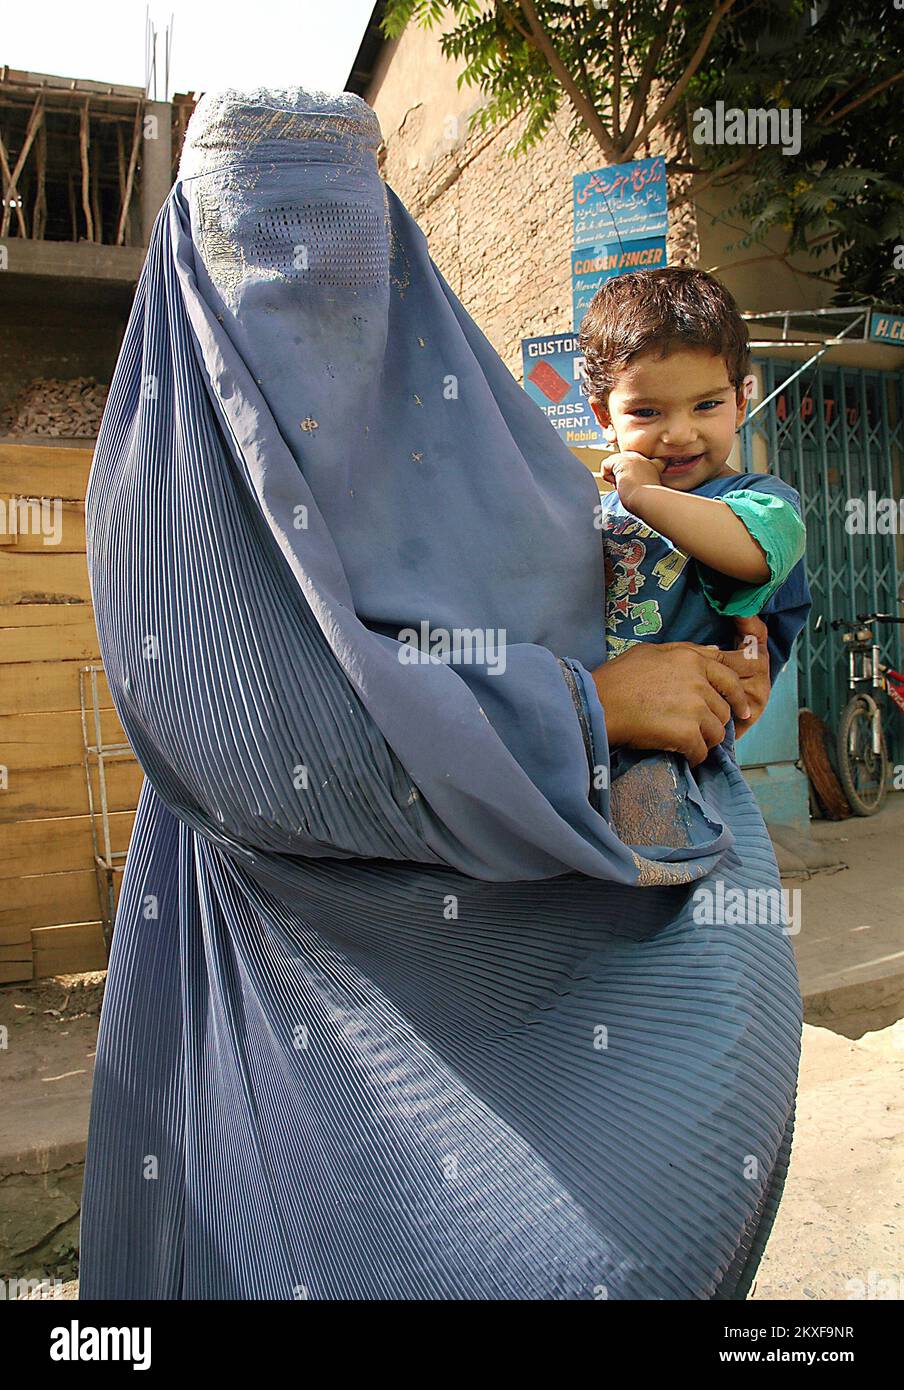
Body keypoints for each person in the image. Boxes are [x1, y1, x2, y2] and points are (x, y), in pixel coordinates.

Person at [79, 86, 804, 1300]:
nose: (314, 294)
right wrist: (588, 709)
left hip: (538, 967)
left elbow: (623, 585)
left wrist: (734, 645)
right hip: (280, 970)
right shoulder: (153, 501)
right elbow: (254, 743)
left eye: (346, 244)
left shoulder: (480, 438)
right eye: (265, 246)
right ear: (194, 266)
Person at [577, 267, 810, 827]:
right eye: (647, 412)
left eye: (706, 405)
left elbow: (751, 551)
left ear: (740, 402)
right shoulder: (594, 501)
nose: (679, 433)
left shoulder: (762, 500)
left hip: (681, 758)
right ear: (605, 418)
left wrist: (643, 493)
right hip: (584, 737)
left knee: (680, 887)